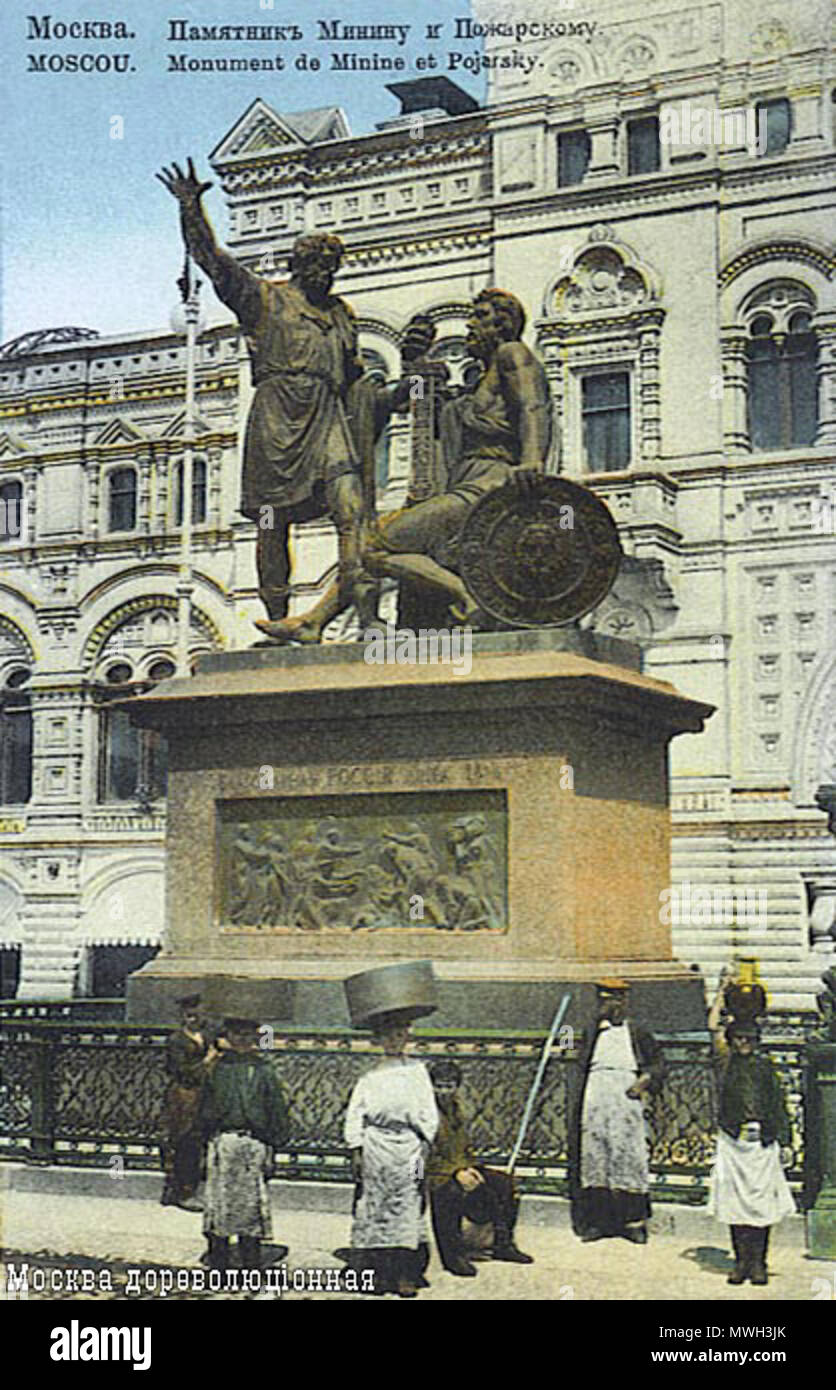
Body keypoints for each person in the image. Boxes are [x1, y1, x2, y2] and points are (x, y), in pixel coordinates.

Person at [157, 158, 386, 629]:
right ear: (298, 266)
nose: (328, 273)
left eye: (333, 266)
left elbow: (354, 377)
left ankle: (366, 615)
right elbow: (213, 260)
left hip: (326, 418)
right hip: (276, 420)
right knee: (270, 523)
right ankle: (278, 618)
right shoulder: (264, 298)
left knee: (353, 510)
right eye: (319, 264)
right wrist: (191, 208)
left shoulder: (342, 313)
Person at [264, 288, 553, 641]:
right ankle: (314, 622)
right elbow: (428, 419)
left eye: (480, 316)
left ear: (503, 323)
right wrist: (415, 369)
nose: (470, 325)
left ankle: (466, 598)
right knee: (371, 540)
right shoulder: (479, 384)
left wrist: (532, 459)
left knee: (374, 547)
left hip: (489, 488)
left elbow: (533, 406)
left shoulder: (513, 353)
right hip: (465, 486)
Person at [706, 965, 795, 1285]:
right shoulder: (725, 1062)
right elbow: (713, 1026)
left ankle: (759, 1262)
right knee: (735, 1205)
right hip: (734, 1140)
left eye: (749, 1038)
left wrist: (785, 1140)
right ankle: (740, 1262)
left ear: (757, 1041)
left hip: (762, 1143)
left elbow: (778, 1104)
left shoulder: (765, 1067)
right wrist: (720, 990)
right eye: (739, 1038)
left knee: (761, 1206)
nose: (744, 1042)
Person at [344, 1009, 438, 1297]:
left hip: (411, 1148)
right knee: (376, 1206)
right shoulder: (370, 1077)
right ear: (378, 1040)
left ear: (407, 1036)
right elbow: (355, 1114)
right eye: (387, 1036)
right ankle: (377, 1274)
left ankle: (405, 1274)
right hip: (376, 1148)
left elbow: (428, 1113)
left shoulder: (418, 1072)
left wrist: (425, 1146)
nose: (394, 1041)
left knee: (410, 1203)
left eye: (399, 1035)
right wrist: (356, 1149)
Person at [569, 979, 664, 1243]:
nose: (610, 1007)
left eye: (615, 1001)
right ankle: (597, 1222)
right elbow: (569, 1050)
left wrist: (644, 1081)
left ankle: (632, 1222)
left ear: (625, 1002)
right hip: (596, 1092)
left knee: (627, 1154)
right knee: (596, 1154)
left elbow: (658, 1062)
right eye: (604, 1001)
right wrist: (575, 1025)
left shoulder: (638, 1032)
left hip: (625, 1092)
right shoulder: (591, 1030)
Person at [426, 1059, 533, 1276]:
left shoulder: (457, 1110)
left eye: (449, 1086)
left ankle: (502, 1244)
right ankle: (453, 1256)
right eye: (439, 1086)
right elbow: (427, 1155)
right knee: (450, 1193)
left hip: (460, 1168)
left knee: (503, 1183)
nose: (444, 1091)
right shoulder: (426, 1114)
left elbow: (464, 1147)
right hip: (435, 1174)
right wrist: (457, 1172)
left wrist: (470, 1168)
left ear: (457, 1086)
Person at [200, 1016, 289, 1271]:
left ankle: (251, 1264)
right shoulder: (217, 1069)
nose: (242, 1039)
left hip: (253, 1144)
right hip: (224, 1142)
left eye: (248, 1034)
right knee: (219, 1206)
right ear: (227, 1036)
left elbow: (276, 1110)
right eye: (236, 1034)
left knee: (250, 1208)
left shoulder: (263, 1070)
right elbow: (205, 1107)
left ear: (256, 1038)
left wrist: (273, 1144)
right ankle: (219, 1265)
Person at [160, 994, 218, 1210]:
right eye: (188, 1014)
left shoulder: (208, 1035)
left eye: (196, 1013)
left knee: (201, 1141)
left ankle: (188, 1189)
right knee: (183, 1141)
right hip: (184, 1097)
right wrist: (207, 1061)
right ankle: (182, 1192)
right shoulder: (177, 1040)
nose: (192, 1018)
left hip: (205, 1096)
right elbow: (183, 1072)